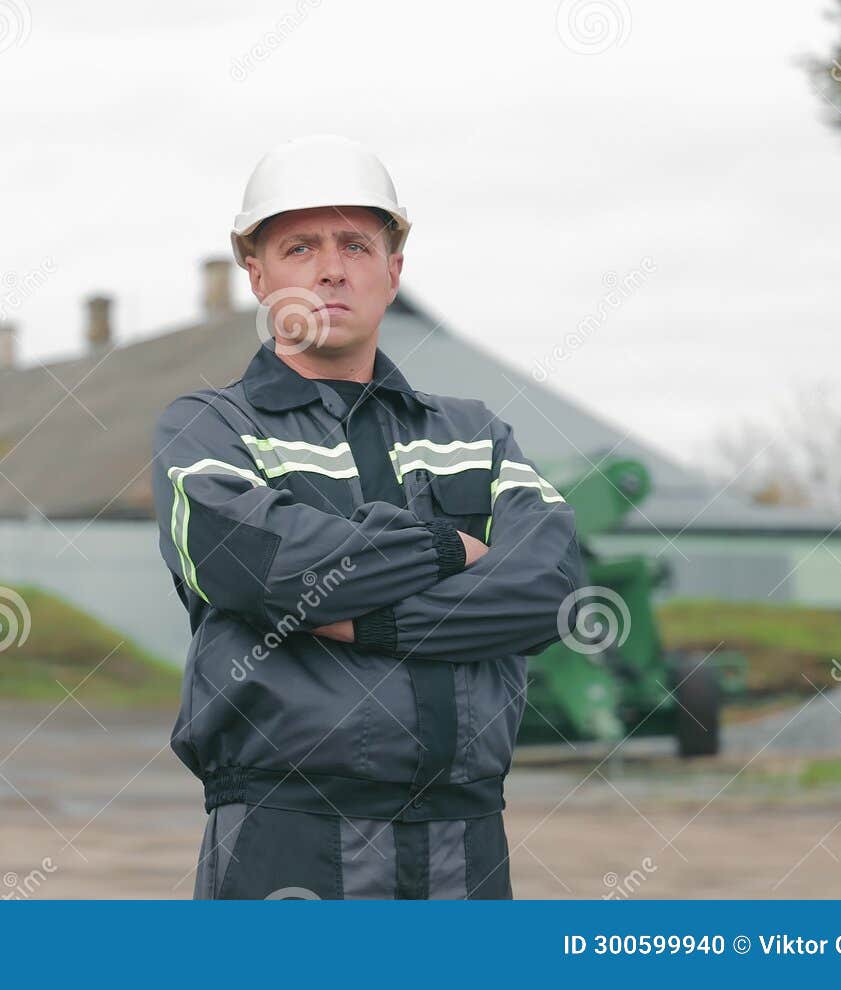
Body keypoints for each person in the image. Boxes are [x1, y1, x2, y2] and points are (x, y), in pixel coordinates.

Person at [150, 134, 586, 899]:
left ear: (394, 271)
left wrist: (353, 616)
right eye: (299, 247)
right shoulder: (208, 429)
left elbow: (548, 591)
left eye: (356, 244)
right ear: (257, 274)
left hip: (466, 840)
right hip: (288, 837)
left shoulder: (474, 434)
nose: (331, 268)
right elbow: (259, 566)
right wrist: (449, 548)